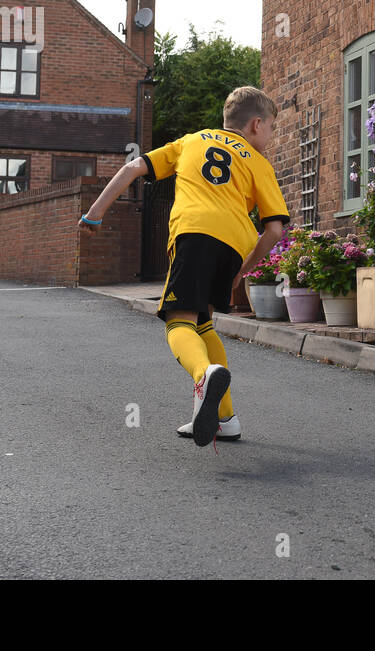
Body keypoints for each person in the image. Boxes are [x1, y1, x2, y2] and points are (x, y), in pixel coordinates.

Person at [79, 86, 290, 447]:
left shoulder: (191, 141)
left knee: (178, 322)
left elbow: (133, 167)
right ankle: (225, 418)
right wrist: (244, 268)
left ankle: (202, 373)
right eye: (271, 128)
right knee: (204, 323)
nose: (270, 136)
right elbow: (274, 228)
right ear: (256, 125)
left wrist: (95, 214)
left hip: (195, 234)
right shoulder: (258, 163)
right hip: (234, 245)